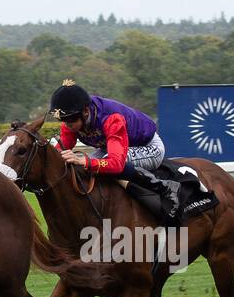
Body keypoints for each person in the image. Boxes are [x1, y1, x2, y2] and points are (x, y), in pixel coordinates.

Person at [48, 80, 181, 220]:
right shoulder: (74, 118)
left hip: (149, 147)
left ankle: (165, 187)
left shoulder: (112, 119)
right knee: (81, 168)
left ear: (85, 112)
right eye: (63, 121)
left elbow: (116, 164)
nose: (66, 126)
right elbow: (61, 150)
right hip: (112, 147)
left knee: (97, 163)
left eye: (70, 122)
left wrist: (84, 161)